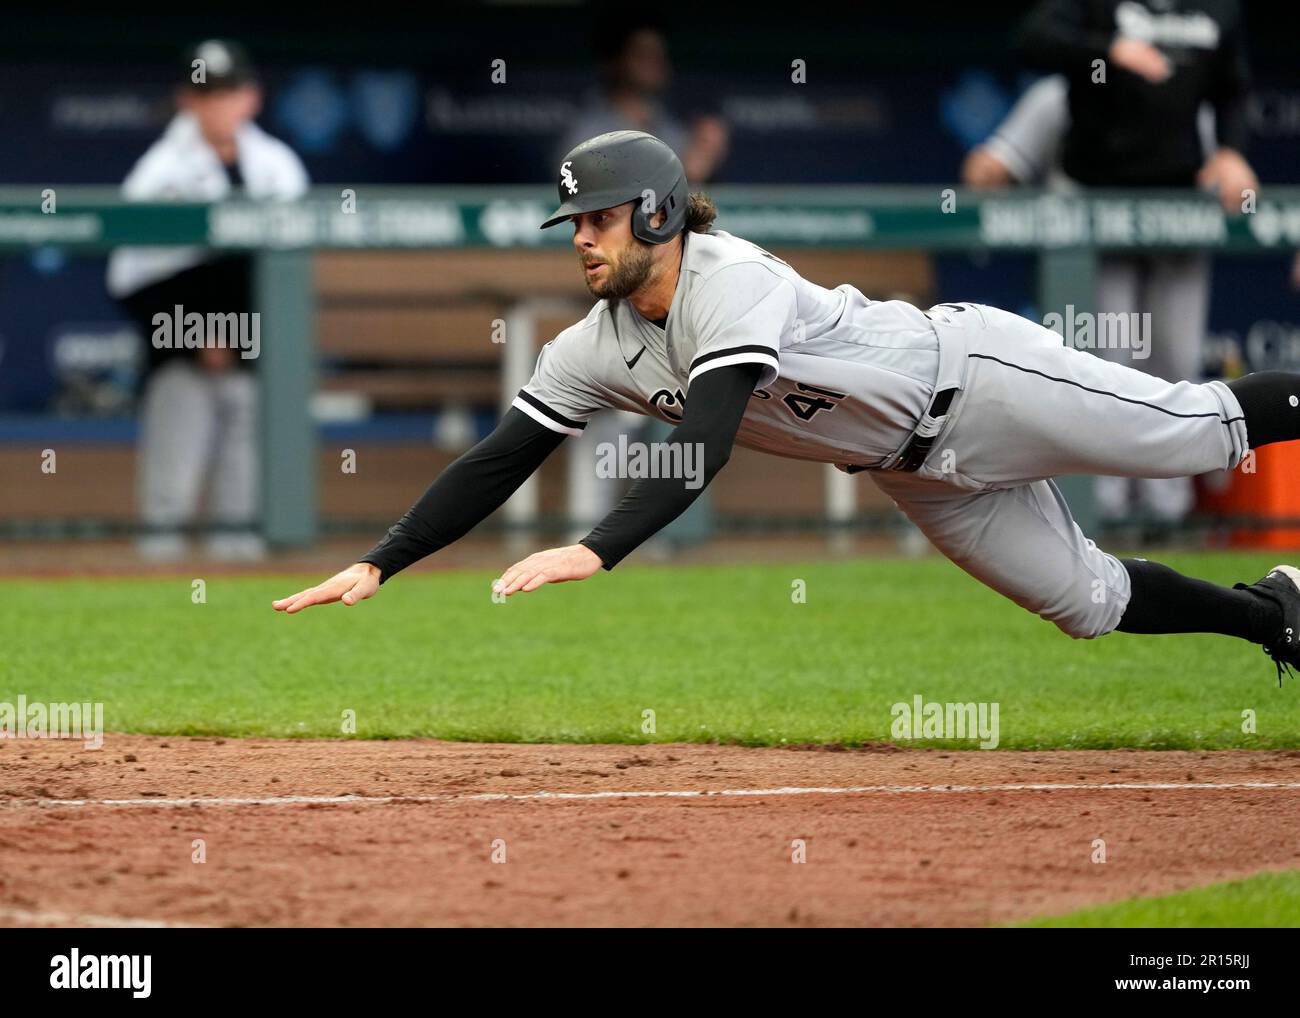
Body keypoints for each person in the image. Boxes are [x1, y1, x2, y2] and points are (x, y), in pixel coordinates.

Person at [275, 131, 1300, 685]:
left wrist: (597, 548)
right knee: (1086, 605)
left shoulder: (729, 277)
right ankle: (1274, 614)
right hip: (910, 471)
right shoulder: (592, 344)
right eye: (571, 222)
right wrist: (382, 560)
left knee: (1192, 431)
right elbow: (498, 459)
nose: (579, 237)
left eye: (597, 217)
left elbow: (709, 436)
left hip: (978, 377)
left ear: (658, 212)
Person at [1014, 0, 1259, 534]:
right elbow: (1032, 37)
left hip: (1180, 204)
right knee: (1109, 358)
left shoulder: (1218, 9)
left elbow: (1233, 90)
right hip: (1098, 201)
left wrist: (1233, 152)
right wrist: (1108, 48)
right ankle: (1102, 508)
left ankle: (1167, 512)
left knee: (1175, 359)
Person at [108, 39, 309, 560]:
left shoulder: (276, 165)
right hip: (180, 350)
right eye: (208, 94)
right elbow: (130, 278)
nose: (219, 105)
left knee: (244, 499)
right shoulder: (158, 172)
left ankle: (236, 603)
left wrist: (245, 341)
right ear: (187, 100)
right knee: (169, 495)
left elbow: (291, 269)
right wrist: (198, 334)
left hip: (255, 352)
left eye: (229, 92)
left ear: (251, 98)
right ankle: (155, 596)